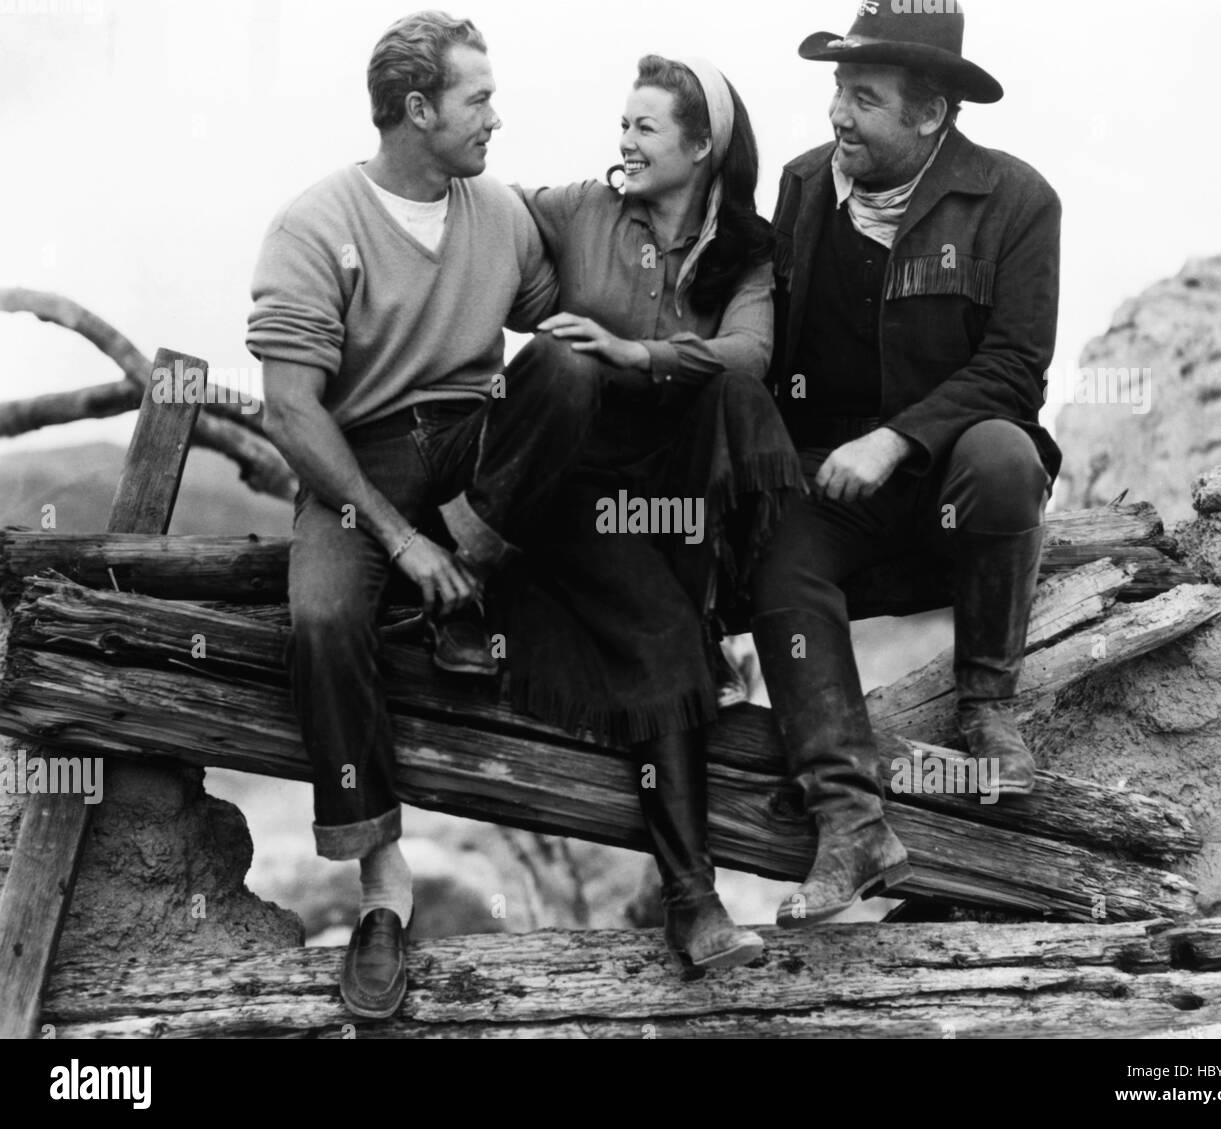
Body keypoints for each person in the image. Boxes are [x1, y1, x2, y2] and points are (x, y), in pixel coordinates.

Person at [246, 10, 571, 1019]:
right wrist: (398, 540)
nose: (495, 118)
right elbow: (291, 408)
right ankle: (381, 886)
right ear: (417, 108)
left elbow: (563, 323)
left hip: (475, 445)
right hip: (362, 461)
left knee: (566, 372)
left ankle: (465, 584)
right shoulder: (313, 224)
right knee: (322, 619)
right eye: (478, 99)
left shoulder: (503, 213)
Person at [750, 2, 1064, 928]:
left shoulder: (1016, 200)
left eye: (865, 98)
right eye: (837, 92)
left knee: (1005, 457)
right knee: (779, 552)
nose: (839, 115)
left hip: (950, 479)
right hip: (836, 480)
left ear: (931, 114)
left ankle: (986, 707)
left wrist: (895, 440)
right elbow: (776, 347)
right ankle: (850, 823)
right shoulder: (807, 185)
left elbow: (1015, 366)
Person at [501, 55, 802, 969]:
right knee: (665, 641)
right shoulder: (581, 208)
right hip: (566, 487)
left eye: (646, 128)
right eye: (622, 124)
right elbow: (479, 203)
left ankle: (731, 582)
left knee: (733, 400)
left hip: (671, 494)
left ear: (702, 146)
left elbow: (750, 355)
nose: (623, 142)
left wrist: (635, 353)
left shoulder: (745, 250)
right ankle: (693, 900)